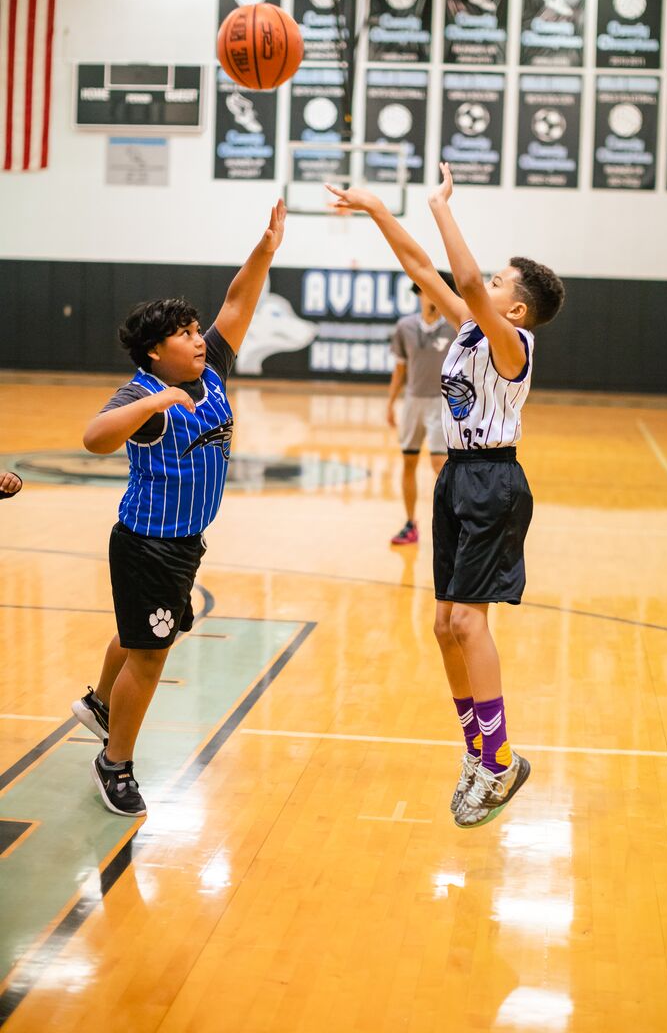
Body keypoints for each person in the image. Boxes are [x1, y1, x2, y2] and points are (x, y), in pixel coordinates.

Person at [327, 166, 564, 828]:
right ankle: (477, 751)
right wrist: (377, 208)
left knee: (467, 623)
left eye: (499, 283)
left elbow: (463, 281)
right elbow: (421, 267)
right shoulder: (468, 326)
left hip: (494, 482)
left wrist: (439, 205)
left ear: (515, 310)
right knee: (442, 627)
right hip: (457, 477)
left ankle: (501, 760)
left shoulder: (513, 343)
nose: (484, 283)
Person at [72, 200, 287, 817]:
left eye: (197, 331)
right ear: (153, 352)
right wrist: (153, 403)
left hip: (184, 542)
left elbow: (238, 302)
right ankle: (114, 763)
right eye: (186, 334)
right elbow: (93, 438)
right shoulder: (141, 394)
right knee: (150, 655)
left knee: (140, 631)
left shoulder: (209, 370)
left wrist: (266, 249)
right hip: (148, 544)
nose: (199, 339)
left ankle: (98, 703)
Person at [387, 280, 455, 546]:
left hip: (441, 403)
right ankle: (410, 523)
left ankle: (453, 524)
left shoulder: (455, 327)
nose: (429, 297)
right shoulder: (405, 327)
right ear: (418, 295)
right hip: (413, 402)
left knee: (440, 466)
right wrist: (391, 403)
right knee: (409, 462)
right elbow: (400, 369)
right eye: (424, 292)